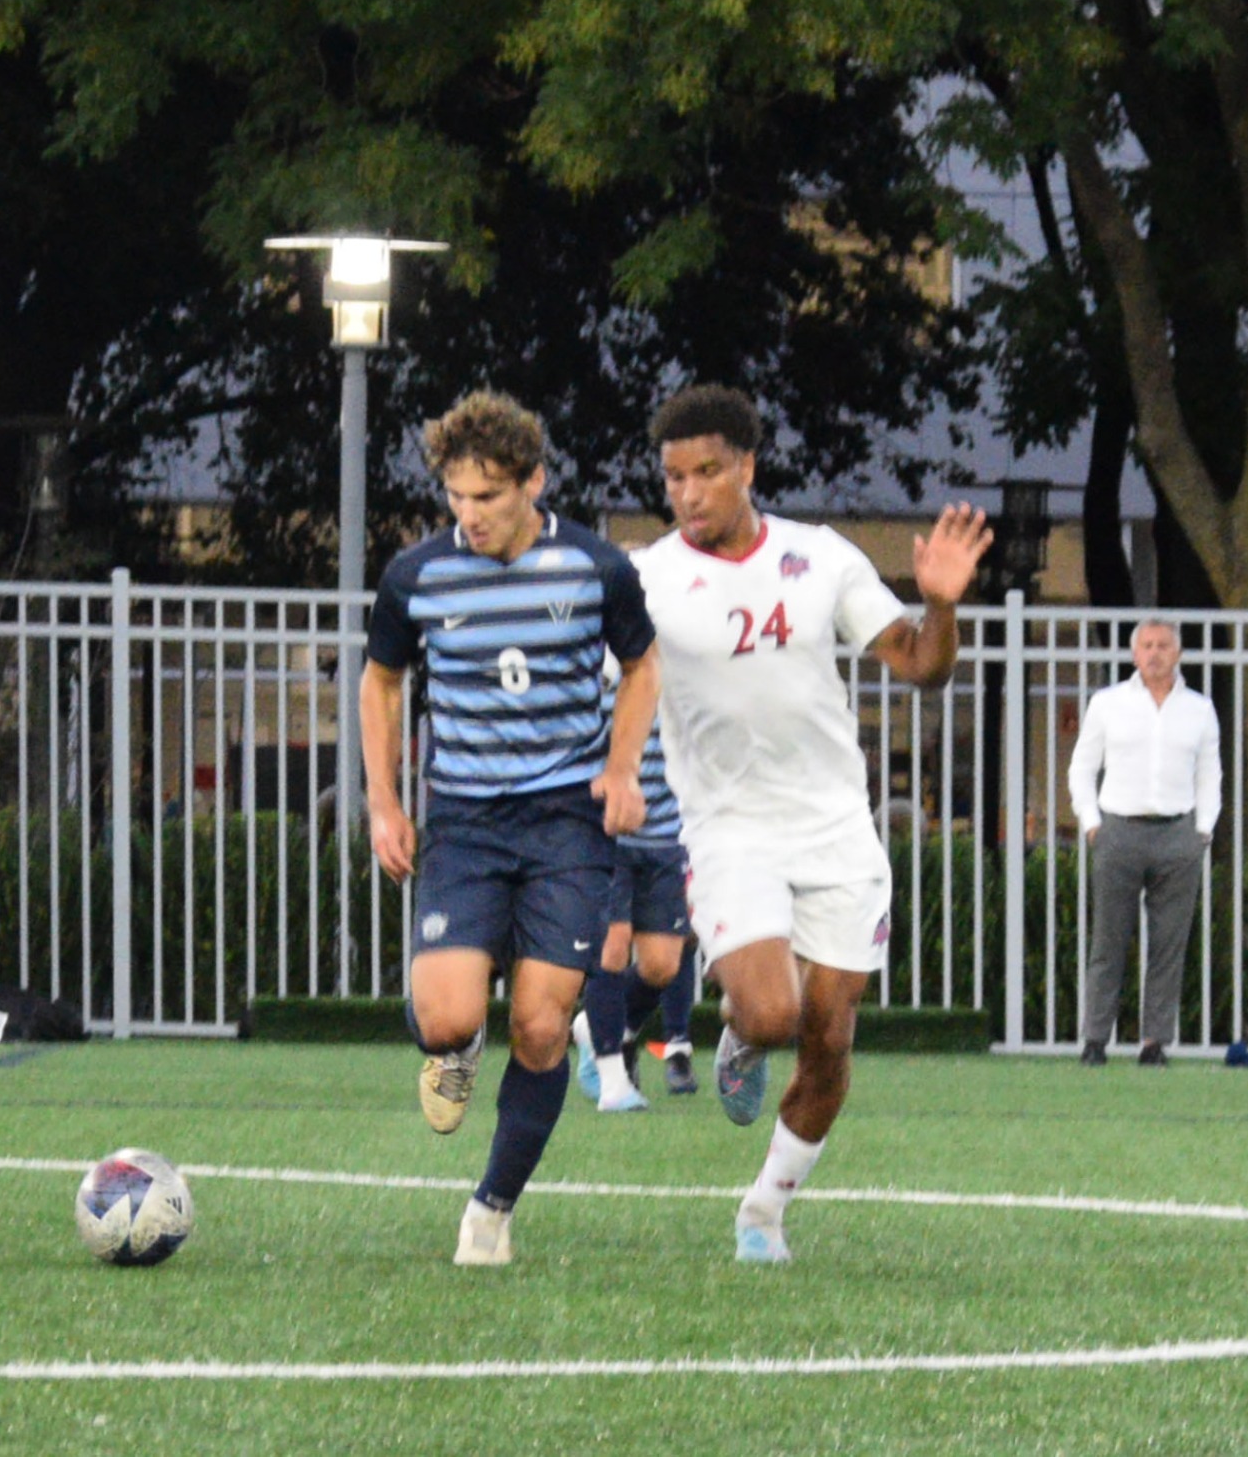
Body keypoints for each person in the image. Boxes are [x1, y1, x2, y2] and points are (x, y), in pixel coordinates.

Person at [630, 384, 992, 1263]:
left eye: (707, 472)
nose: (688, 493)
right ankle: (740, 1039)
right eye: (674, 476)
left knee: (829, 1038)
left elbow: (918, 665)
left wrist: (940, 605)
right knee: (768, 1011)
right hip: (727, 827)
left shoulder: (820, 557)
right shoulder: (645, 577)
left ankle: (764, 1210)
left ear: (748, 467)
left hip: (836, 826)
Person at [360, 390, 660, 1266]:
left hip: (568, 820)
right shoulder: (416, 575)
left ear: (534, 481)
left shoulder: (597, 567)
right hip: (464, 819)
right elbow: (380, 684)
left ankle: (492, 1207)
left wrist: (621, 765)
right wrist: (384, 801)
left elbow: (642, 667)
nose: (470, 514)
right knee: (447, 1016)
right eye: (456, 495)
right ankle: (453, 1046)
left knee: (540, 1024)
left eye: (488, 495)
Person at [1065, 618, 1222, 1067]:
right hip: (1119, 829)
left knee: (1169, 945)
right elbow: (1082, 766)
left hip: (1179, 833)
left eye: (1164, 645)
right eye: (1147, 646)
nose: (1155, 653)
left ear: (1178, 653)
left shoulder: (1199, 709)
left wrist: (1203, 829)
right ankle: (1095, 1039)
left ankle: (1154, 1042)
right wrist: (1092, 822)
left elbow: (1210, 774)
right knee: (1108, 941)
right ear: (1135, 655)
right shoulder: (1108, 704)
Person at [570, 709, 701, 1110]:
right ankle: (612, 1080)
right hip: (606, 831)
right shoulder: (607, 662)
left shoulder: (681, 664)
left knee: (662, 965)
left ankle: (596, 1026)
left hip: (665, 836)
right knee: (613, 944)